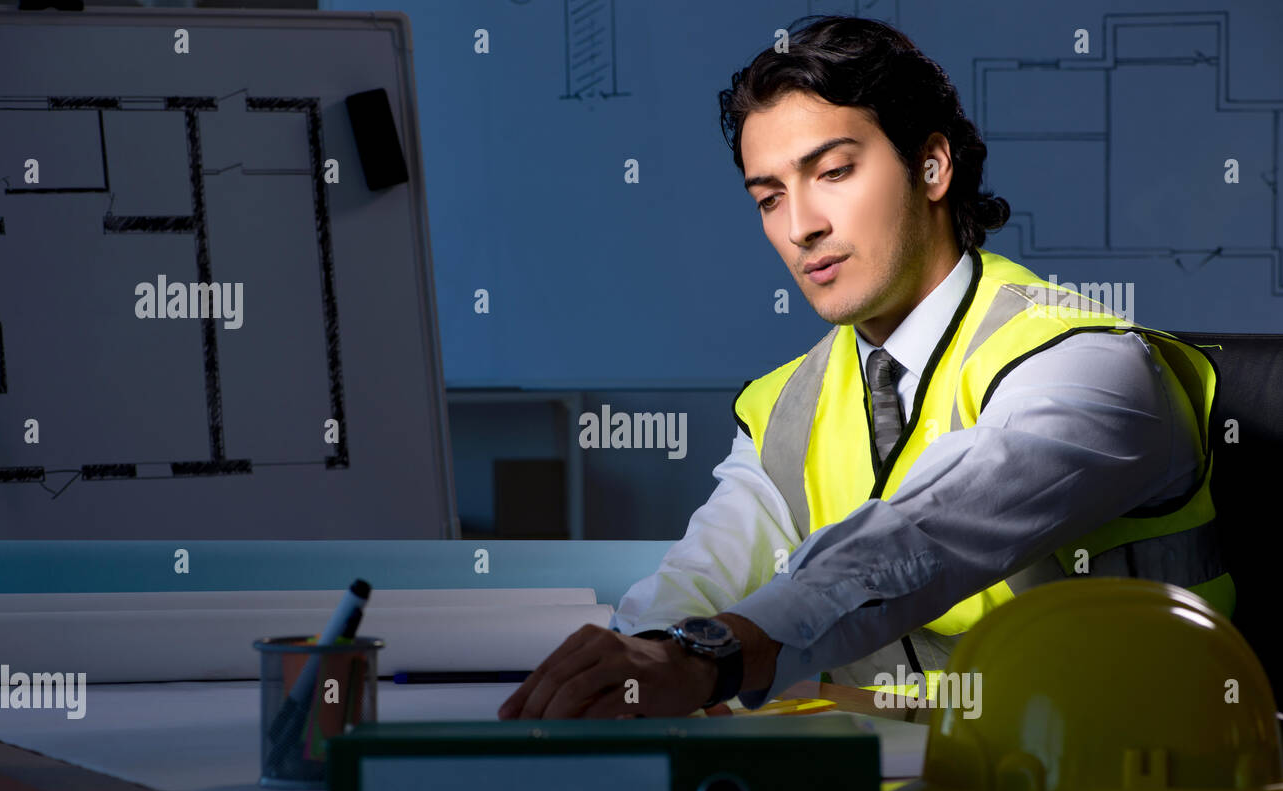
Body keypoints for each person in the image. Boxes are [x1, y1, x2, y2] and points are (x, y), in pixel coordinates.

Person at [498, 15, 1232, 721]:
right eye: (770, 197)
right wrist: (641, 655)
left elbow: (926, 534)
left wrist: (710, 655)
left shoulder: (1089, 365)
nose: (800, 225)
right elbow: (708, 567)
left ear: (932, 165)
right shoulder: (787, 402)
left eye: (835, 171)